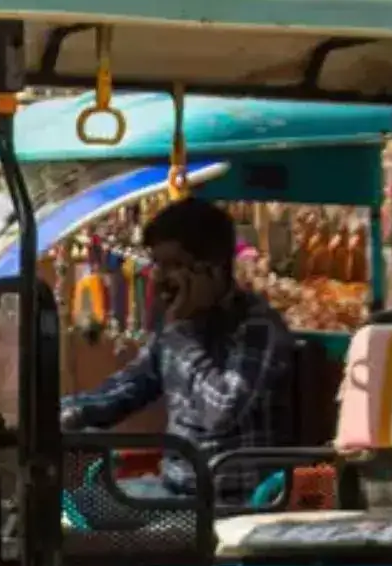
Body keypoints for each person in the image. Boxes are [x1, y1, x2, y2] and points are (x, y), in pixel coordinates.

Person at [61, 198, 292, 507]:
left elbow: (221, 412)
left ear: (212, 268)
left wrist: (181, 335)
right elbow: (127, 389)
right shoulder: (179, 327)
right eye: (157, 264)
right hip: (174, 494)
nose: (158, 278)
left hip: (229, 505)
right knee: (71, 511)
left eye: (172, 266)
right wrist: (64, 412)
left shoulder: (256, 326)